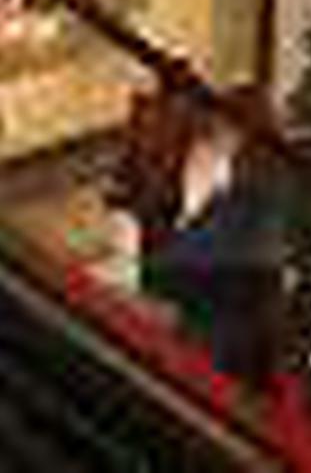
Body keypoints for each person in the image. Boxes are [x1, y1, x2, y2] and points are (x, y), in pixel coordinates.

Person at [148, 106, 290, 392]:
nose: (239, 164)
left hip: (217, 360)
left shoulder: (251, 213)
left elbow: (167, 275)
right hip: (212, 352)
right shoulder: (238, 208)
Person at [109, 72, 206, 286]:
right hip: (157, 189)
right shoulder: (158, 111)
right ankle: (156, 275)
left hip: (160, 190)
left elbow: (172, 152)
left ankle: (156, 275)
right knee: (157, 231)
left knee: (158, 231)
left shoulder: (171, 112)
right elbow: (138, 147)